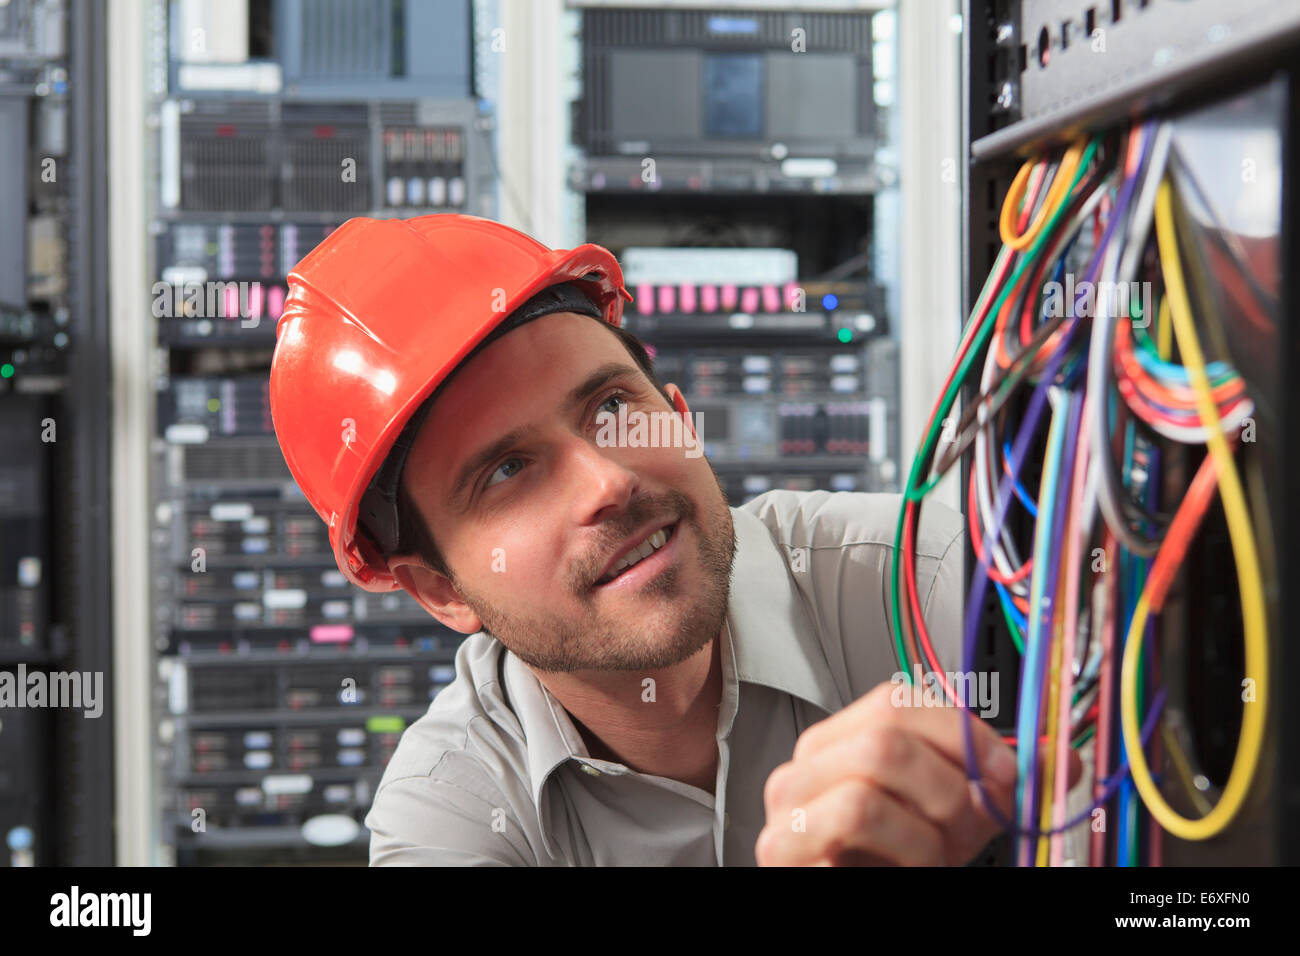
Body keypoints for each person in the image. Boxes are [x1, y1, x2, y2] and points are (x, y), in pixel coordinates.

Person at [269, 213, 1076, 866]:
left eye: (613, 408)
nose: (608, 482)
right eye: (509, 471)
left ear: (682, 417)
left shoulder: (929, 580)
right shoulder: (456, 813)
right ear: (440, 590)